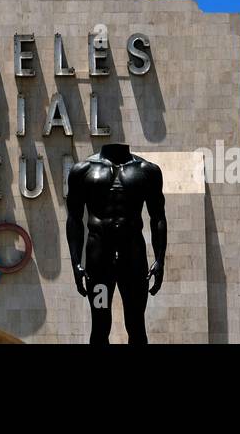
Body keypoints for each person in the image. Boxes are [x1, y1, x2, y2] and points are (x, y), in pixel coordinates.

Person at [65, 142, 166, 344]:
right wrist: (76, 262)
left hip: (133, 258)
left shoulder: (147, 170)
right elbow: (74, 219)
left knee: (136, 324)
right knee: (100, 324)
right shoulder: (83, 170)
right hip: (99, 258)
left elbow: (158, 217)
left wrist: (159, 259)